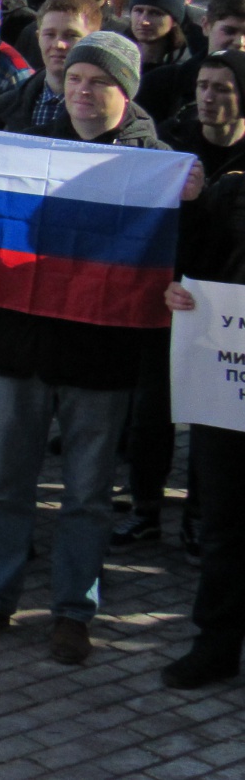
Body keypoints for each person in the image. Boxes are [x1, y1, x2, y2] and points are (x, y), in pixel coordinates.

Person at [0, 31, 204, 666]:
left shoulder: (158, 166)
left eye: (100, 81)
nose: (83, 91)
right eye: (77, 79)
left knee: (87, 493)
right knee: (6, 482)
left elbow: (181, 262)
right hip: (20, 349)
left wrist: (190, 208)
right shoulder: (32, 150)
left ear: (127, 90)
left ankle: (73, 608)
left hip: (99, 361)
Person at [163, 133, 245, 687]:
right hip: (228, 384)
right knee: (226, 526)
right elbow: (195, 263)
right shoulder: (232, 188)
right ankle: (215, 646)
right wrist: (180, 290)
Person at [0, 0, 103, 135]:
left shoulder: (108, 111)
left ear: (94, 40)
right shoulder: (5, 107)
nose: (58, 44)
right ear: (38, 37)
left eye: (71, 35)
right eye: (50, 34)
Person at [127, 0, 202, 76]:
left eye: (155, 13)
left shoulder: (186, 68)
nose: (144, 21)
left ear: (174, 21)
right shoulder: (116, 56)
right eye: (139, 11)